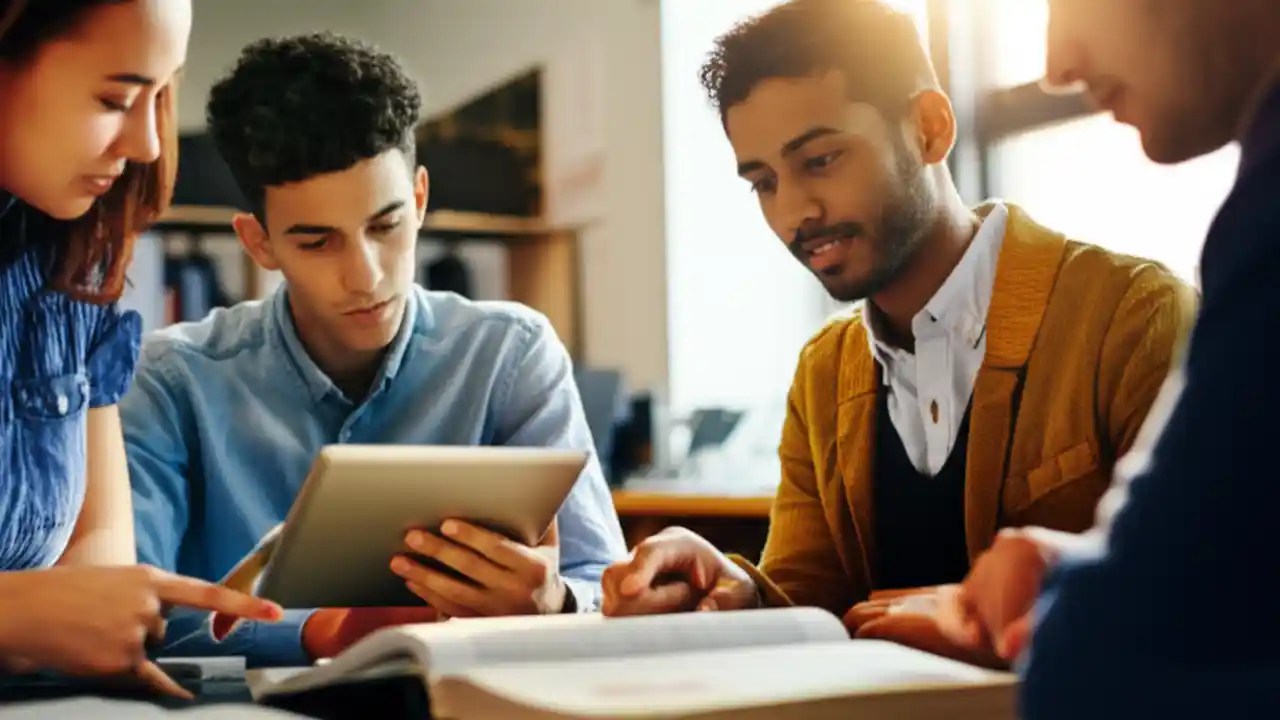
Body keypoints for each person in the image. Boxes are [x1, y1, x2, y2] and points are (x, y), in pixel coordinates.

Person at [599, 0, 1196, 662]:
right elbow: (811, 602)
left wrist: (1000, 621)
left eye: (821, 160)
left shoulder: (1136, 318)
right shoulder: (824, 371)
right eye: (764, 182)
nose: (795, 211)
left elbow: (1215, 599)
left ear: (930, 128)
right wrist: (737, 592)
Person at [120, 32, 627, 668]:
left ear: (419, 199)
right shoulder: (171, 381)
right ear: (259, 244)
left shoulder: (510, 354)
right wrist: (317, 633)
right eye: (316, 242)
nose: (365, 276)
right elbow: (130, 612)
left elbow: (603, 585)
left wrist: (552, 600)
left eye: (385, 226)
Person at [932, 1, 1280, 716]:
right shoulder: (829, 363)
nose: (1056, 67)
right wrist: (1090, 568)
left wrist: (1074, 607)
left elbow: (1108, 667)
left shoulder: (1161, 290)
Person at [0, 0, 281, 696]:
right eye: (117, 98)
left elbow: (95, 551)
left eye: (162, 94)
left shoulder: (74, 268)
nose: (151, 143)